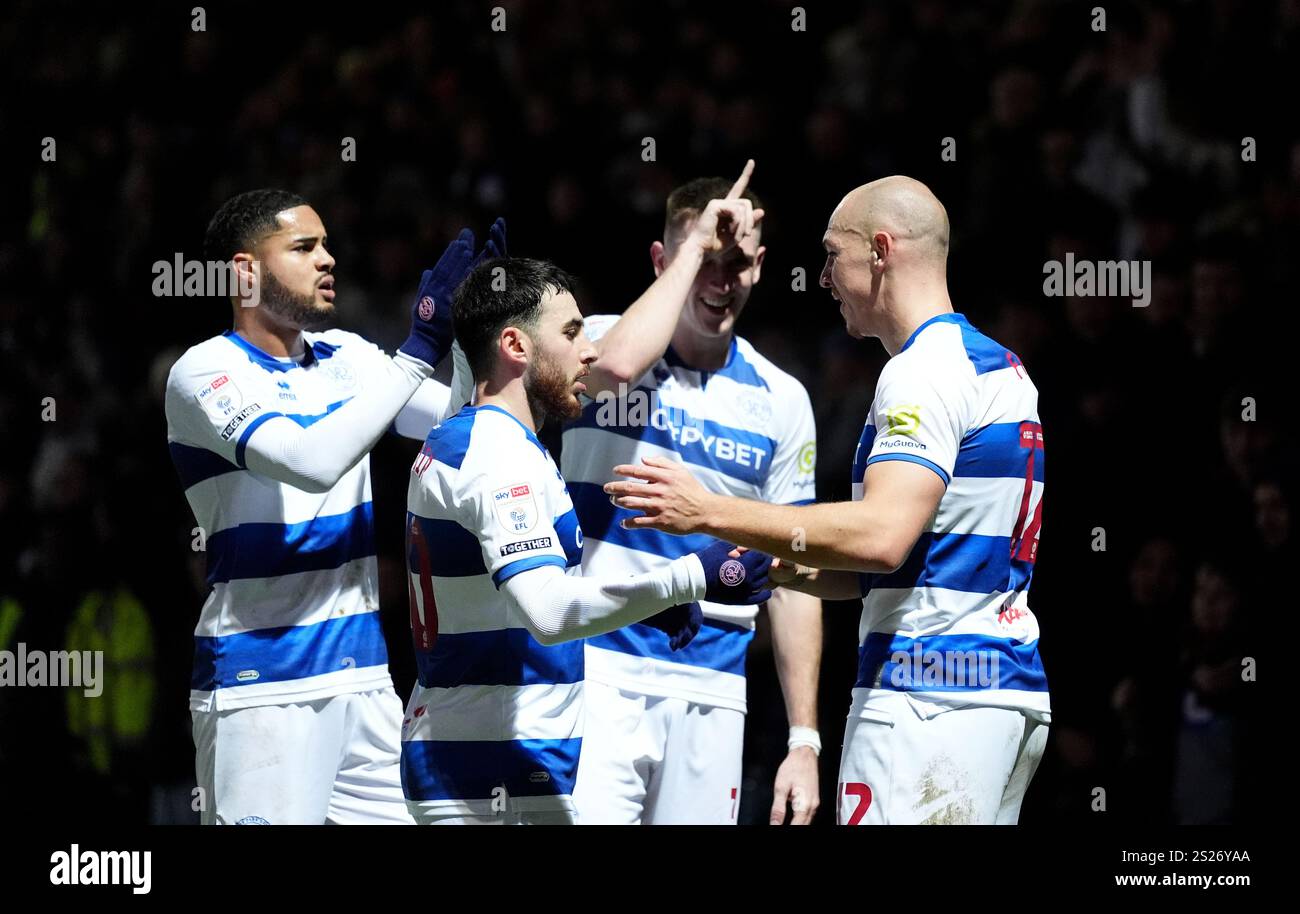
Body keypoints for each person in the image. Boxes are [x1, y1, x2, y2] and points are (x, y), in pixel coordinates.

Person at [604, 176, 1051, 824]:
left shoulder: (921, 374)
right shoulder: (999, 367)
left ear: (880, 251)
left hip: (927, 701)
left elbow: (881, 535)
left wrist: (709, 510)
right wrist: (786, 567)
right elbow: (912, 559)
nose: (821, 277)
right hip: (1003, 696)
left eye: (831, 255)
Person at [164, 188, 499, 824]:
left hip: (364, 676)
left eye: (326, 244)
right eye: (303, 247)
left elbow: (462, 421)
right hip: (261, 684)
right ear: (244, 272)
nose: (328, 259)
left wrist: (467, 339)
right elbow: (310, 462)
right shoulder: (204, 372)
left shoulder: (350, 355)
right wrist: (417, 352)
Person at [401, 256, 772, 824]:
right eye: (572, 333)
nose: (590, 351)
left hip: (482, 757)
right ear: (515, 346)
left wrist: (647, 603)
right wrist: (693, 576)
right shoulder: (500, 455)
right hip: (489, 771)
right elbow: (548, 613)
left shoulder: (477, 437)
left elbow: (519, 592)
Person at [563, 170, 824, 825]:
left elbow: (791, 573)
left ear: (761, 268)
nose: (720, 278)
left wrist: (804, 739)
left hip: (713, 682)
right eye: (705, 256)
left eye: (737, 261)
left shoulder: (781, 398)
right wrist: (696, 247)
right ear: (663, 260)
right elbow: (615, 368)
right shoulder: (595, 338)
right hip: (597, 671)